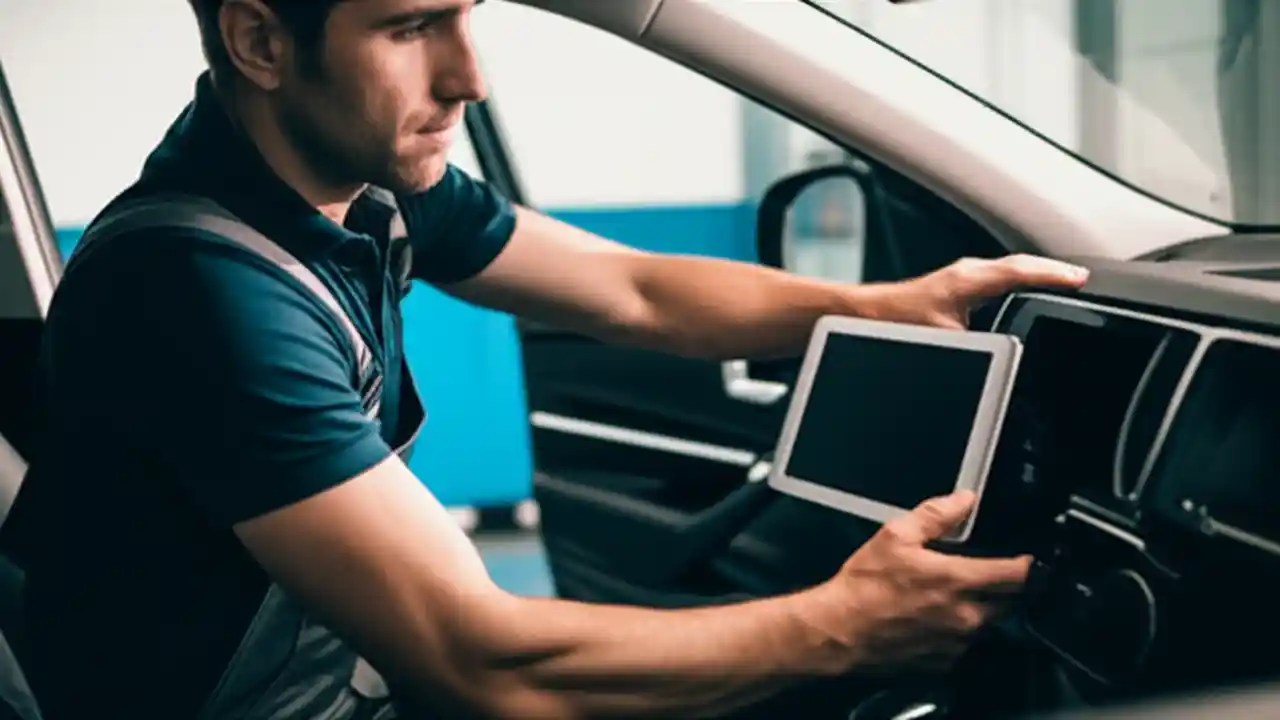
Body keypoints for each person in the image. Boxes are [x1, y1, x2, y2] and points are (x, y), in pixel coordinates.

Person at [4, 1, 1090, 718]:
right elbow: (478, 658)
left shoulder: (362, 187)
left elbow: (633, 291)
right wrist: (839, 629)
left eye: (467, 12)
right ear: (260, 42)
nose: (467, 74)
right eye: (411, 24)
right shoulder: (202, 290)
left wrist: (879, 304)